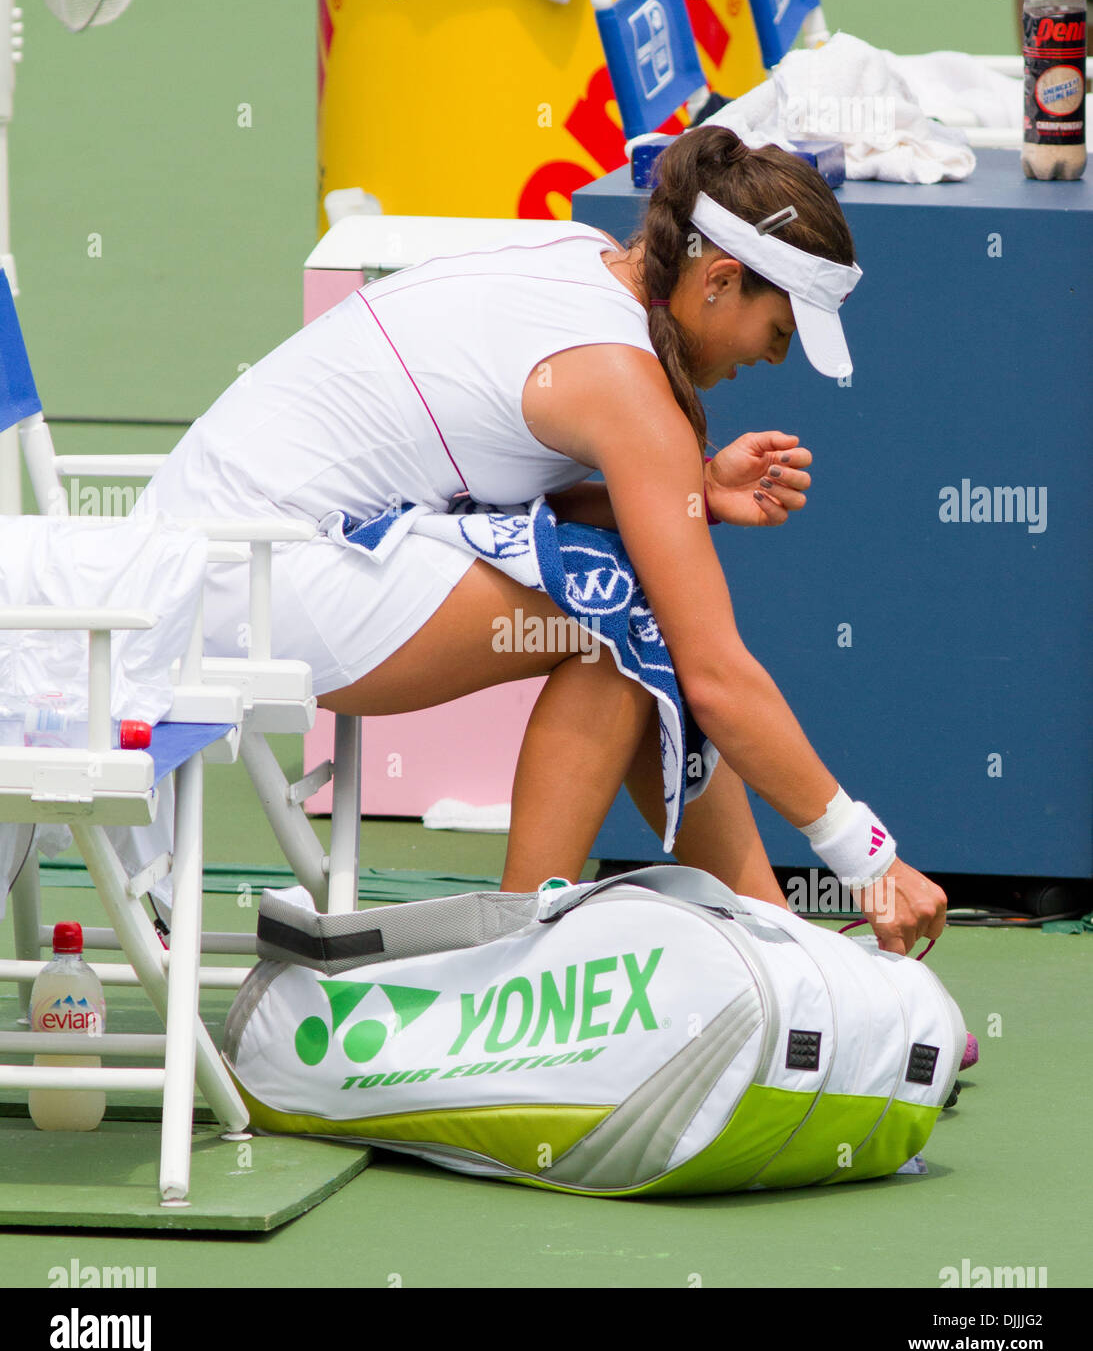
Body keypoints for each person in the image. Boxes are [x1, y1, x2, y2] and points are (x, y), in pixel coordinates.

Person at [138, 125, 946, 955]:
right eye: (777, 332)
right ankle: (515, 958)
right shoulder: (624, 389)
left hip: (216, 558)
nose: (773, 360)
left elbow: (501, 470)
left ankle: (774, 940)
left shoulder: (584, 258)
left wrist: (689, 485)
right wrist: (868, 860)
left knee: (621, 608)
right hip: (245, 582)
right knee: (619, 616)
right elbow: (715, 678)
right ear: (721, 279)